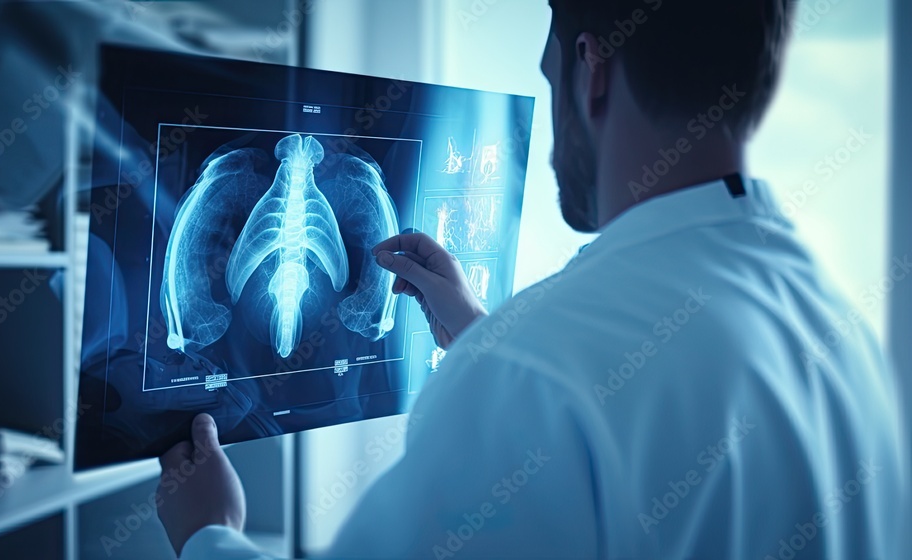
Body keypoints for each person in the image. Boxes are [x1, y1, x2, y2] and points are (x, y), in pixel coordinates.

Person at [157, 1, 907, 558]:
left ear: (592, 69)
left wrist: (208, 534)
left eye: (550, 80)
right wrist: (491, 347)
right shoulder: (839, 331)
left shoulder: (533, 375)